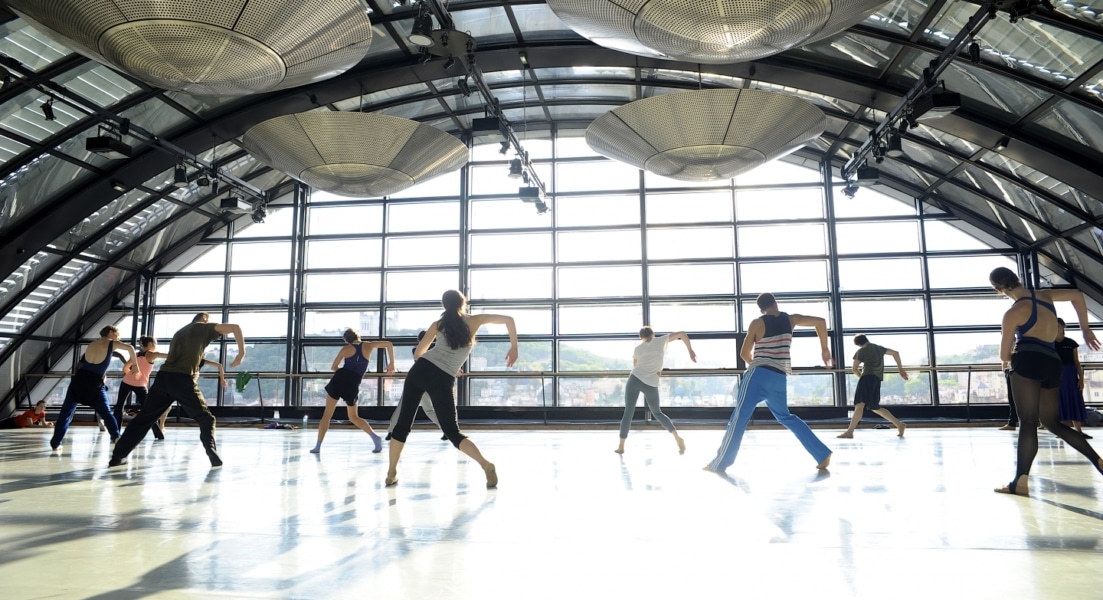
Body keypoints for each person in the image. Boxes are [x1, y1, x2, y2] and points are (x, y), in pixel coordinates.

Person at [989, 267, 1103, 496]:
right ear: (1016, 279)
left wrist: (1015, 356)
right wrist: (1085, 328)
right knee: (1053, 423)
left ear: (998, 289)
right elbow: (1078, 295)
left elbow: (1003, 356)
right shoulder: (1044, 296)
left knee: (1028, 423)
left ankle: (1019, 482)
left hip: (1027, 362)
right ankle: (1098, 461)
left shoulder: (1013, 313)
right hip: (1053, 362)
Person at [386, 290, 517, 489]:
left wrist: (438, 356)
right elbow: (509, 319)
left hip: (420, 371)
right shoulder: (476, 320)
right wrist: (514, 346)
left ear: (444, 305)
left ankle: (391, 473)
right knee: (453, 432)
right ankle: (485, 464)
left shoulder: (438, 325)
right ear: (463, 302)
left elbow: (418, 354)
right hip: (443, 378)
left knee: (403, 425)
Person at [704, 293, 833, 473]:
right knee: (786, 417)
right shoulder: (791, 320)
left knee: (739, 417)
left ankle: (719, 463)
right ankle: (821, 454)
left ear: (761, 309)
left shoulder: (757, 323)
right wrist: (825, 349)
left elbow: (744, 353)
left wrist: (759, 363)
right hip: (779, 377)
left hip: (758, 375)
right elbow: (820, 322)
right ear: (775, 303)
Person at [109, 313, 244, 467]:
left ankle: (118, 456)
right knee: (206, 418)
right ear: (204, 319)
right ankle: (211, 451)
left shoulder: (180, 332)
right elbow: (235, 327)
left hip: (163, 378)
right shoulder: (204, 327)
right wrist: (241, 353)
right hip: (182, 380)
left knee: (143, 419)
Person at [50, 325, 139, 449]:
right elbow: (130, 347)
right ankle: (116, 437)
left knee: (65, 413)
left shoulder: (92, 344)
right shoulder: (111, 343)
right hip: (94, 383)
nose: (118, 337)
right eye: (117, 334)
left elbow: (83, 364)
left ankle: (55, 443)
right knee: (106, 413)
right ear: (111, 332)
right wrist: (135, 365)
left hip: (78, 380)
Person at [310, 328, 395, 454]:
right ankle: (375, 438)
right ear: (358, 336)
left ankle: (318, 446)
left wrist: (343, 371)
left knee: (327, 416)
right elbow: (388, 344)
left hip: (339, 380)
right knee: (354, 417)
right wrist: (391, 364)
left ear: (347, 340)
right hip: (353, 383)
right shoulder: (368, 346)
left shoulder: (345, 349)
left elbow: (334, 367)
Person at [615, 327, 696, 454]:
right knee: (657, 413)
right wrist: (690, 351)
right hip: (651, 382)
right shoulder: (661, 341)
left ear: (640, 337)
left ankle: (621, 446)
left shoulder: (638, 349)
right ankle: (677, 437)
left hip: (635, 379)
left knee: (628, 413)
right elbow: (682, 334)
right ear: (653, 334)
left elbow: (635, 365)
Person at [837, 335, 907, 438]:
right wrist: (900, 369)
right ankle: (899, 424)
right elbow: (895, 353)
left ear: (858, 344)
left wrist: (862, 377)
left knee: (859, 405)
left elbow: (854, 369)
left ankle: (849, 432)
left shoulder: (861, 351)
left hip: (867, 378)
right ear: (866, 340)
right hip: (877, 379)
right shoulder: (879, 348)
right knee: (874, 407)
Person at [384, 330, 443, 442]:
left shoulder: (416, 350)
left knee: (402, 407)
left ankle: (391, 431)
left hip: (417, 380)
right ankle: (446, 429)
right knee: (429, 410)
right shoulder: (437, 350)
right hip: (430, 382)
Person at [114, 336, 168, 439]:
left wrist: (131, 375)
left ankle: (116, 433)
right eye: (155, 343)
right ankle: (158, 434)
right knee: (148, 409)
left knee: (119, 406)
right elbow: (168, 356)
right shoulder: (152, 355)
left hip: (126, 381)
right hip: (140, 385)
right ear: (151, 344)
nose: (156, 346)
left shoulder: (137, 355)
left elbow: (125, 368)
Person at [1055, 318, 1091, 438]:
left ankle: (1079, 431)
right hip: (1056, 375)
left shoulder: (1071, 343)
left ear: (1063, 327)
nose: (1056, 328)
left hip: (1070, 375)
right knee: (1060, 401)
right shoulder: (1050, 343)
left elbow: (1077, 362)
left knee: (1075, 399)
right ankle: (1062, 431)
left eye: (1058, 326)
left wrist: (1081, 378)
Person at [999, 366, 1019, 431]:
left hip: (1014, 369)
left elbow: (1004, 357)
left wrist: (1004, 366)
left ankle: (1012, 423)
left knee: (1013, 398)